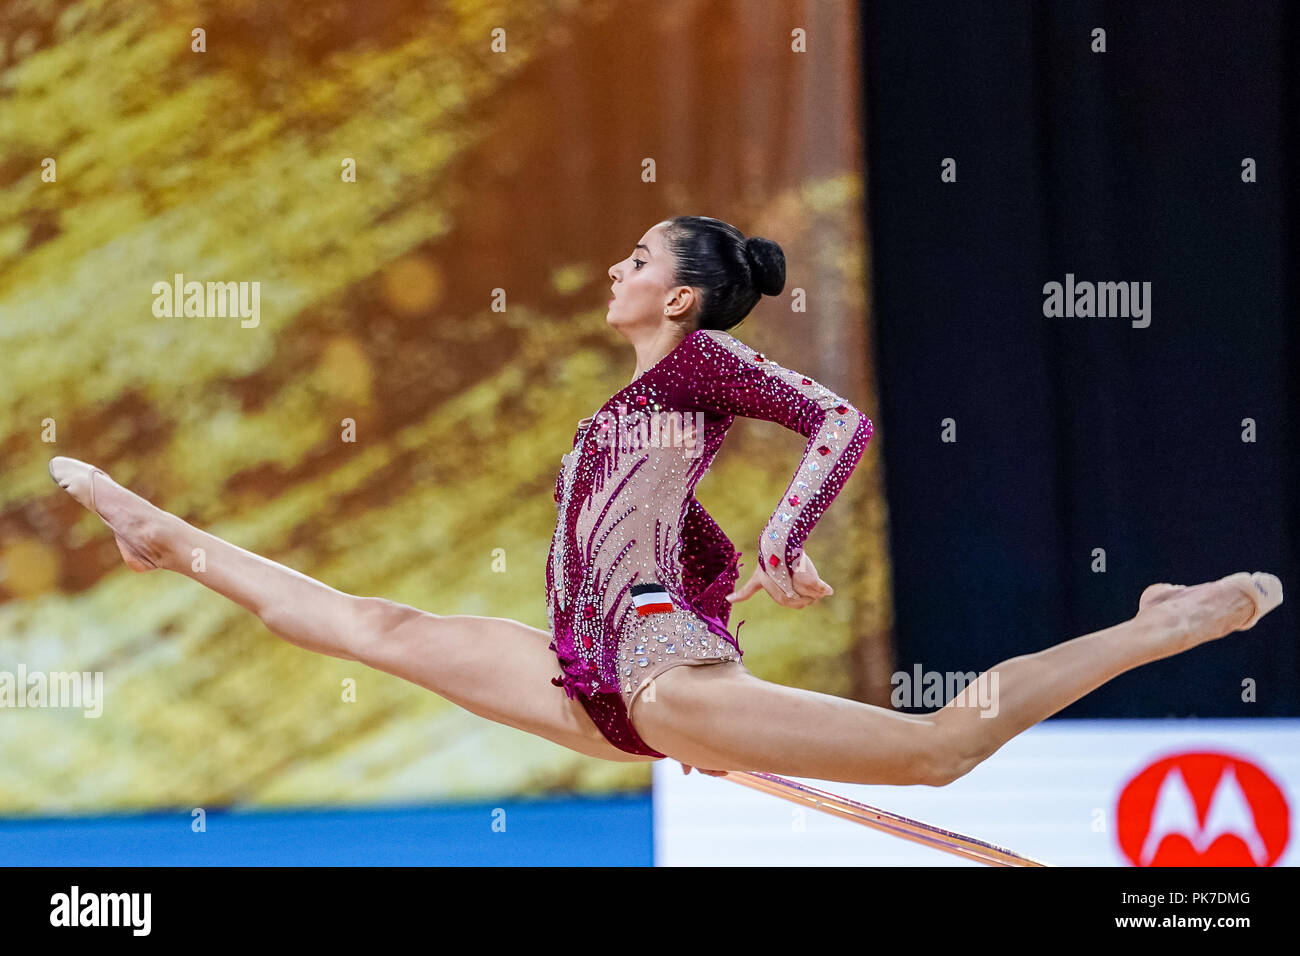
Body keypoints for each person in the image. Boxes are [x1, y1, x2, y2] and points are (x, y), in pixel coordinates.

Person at [48, 216, 1283, 787]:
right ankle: (167, 538)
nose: (613, 269)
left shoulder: (702, 363)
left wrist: (783, 535)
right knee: (378, 626)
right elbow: (653, 529)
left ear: (683, 298)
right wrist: (718, 560)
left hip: (654, 671)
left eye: (637, 259)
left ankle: (1160, 622)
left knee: (936, 748)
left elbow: (840, 421)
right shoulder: (638, 404)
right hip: (594, 671)